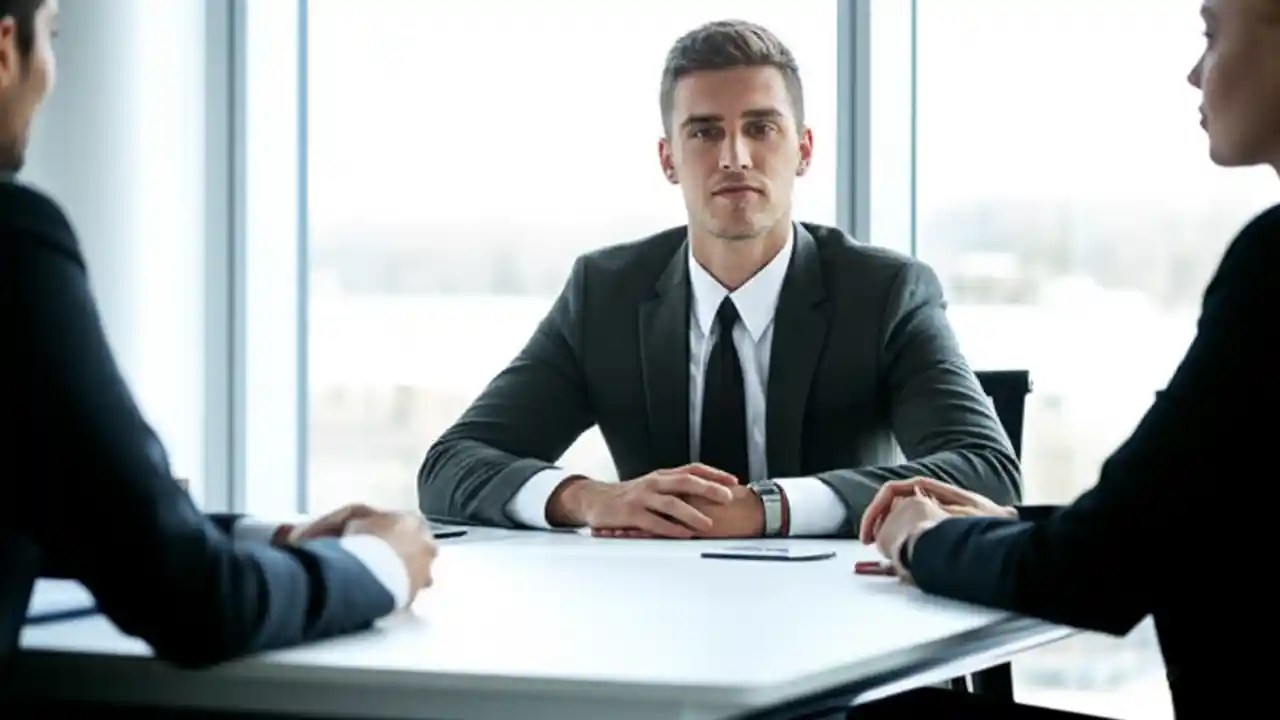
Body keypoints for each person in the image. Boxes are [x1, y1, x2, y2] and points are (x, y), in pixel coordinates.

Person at [418, 19, 1019, 541]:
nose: (735, 156)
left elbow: (986, 469)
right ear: (667, 159)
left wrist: (769, 508)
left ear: (804, 150)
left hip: (842, 630)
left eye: (761, 128)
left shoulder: (885, 293)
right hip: (655, 629)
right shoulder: (605, 295)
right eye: (704, 132)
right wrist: (590, 498)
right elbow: (450, 465)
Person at [0, 0, 439, 690]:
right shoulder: (14, 242)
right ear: (5, 50)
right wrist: (380, 567)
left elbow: (82, 519)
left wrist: (272, 539)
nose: (49, 73)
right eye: (50, 37)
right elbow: (192, 602)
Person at [859, 0, 1280, 716]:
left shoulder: (1274, 269)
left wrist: (927, 543)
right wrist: (1006, 525)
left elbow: (1100, 573)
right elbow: (1181, 520)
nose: (1192, 73)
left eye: (1211, 35)